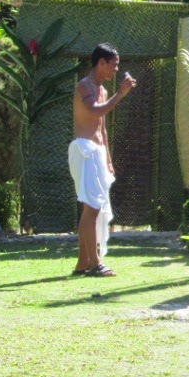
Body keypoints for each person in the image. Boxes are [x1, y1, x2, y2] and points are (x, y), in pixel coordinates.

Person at [69, 43, 136, 277]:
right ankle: (95, 263)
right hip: (83, 149)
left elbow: (102, 128)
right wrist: (121, 94)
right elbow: (94, 111)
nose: (116, 70)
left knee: (92, 207)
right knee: (93, 206)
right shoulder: (84, 86)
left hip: (97, 152)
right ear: (101, 63)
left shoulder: (103, 90)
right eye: (113, 65)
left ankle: (82, 263)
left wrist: (107, 158)